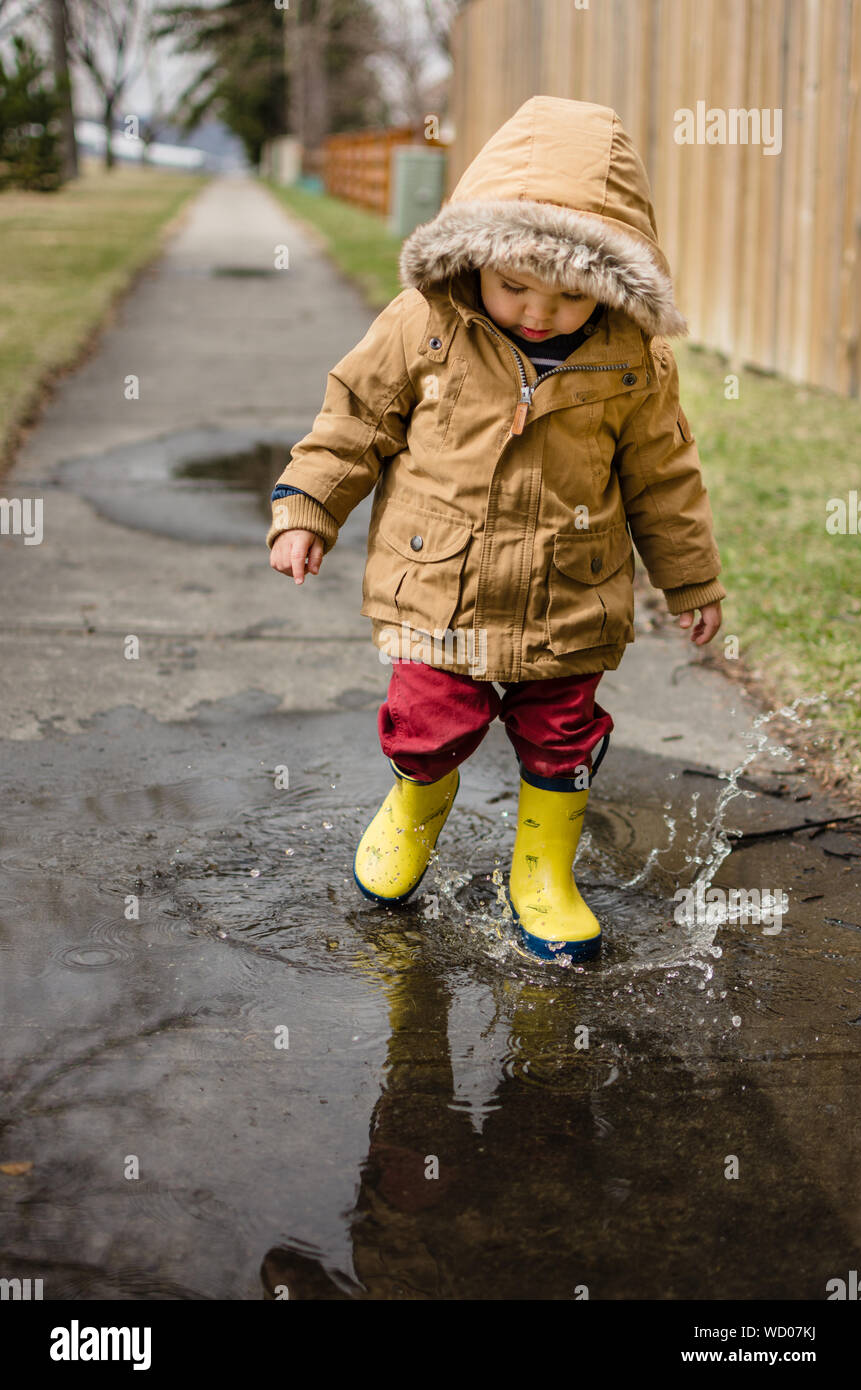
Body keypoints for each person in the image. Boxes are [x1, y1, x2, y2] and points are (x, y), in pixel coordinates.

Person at [266, 96, 726, 964]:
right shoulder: (425, 326)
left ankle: (543, 874)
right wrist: (308, 508)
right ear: (474, 253)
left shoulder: (633, 360)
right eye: (514, 284)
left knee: (564, 737)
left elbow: (664, 477)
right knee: (429, 719)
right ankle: (411, 812)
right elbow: (354, 420)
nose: (539, 313)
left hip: (570, 598)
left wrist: (691, 581)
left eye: (569, 294)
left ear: (610, 284)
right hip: (441, 585)